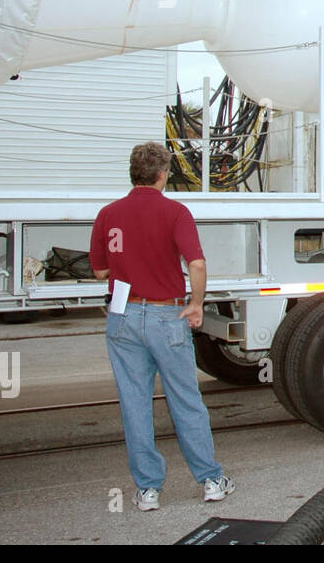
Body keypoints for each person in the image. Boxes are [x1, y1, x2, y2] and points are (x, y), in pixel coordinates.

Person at [90, 142, 235, 510]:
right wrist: (197, 303)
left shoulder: (108, 214)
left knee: (135, 403)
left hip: (123, 318)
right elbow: (196, 264)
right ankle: (211, 481)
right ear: (162, 174)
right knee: (185, 400)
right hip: (165, 315)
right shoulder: (175, 212)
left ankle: (148, 490)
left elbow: (100, 270)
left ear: (132, 172)